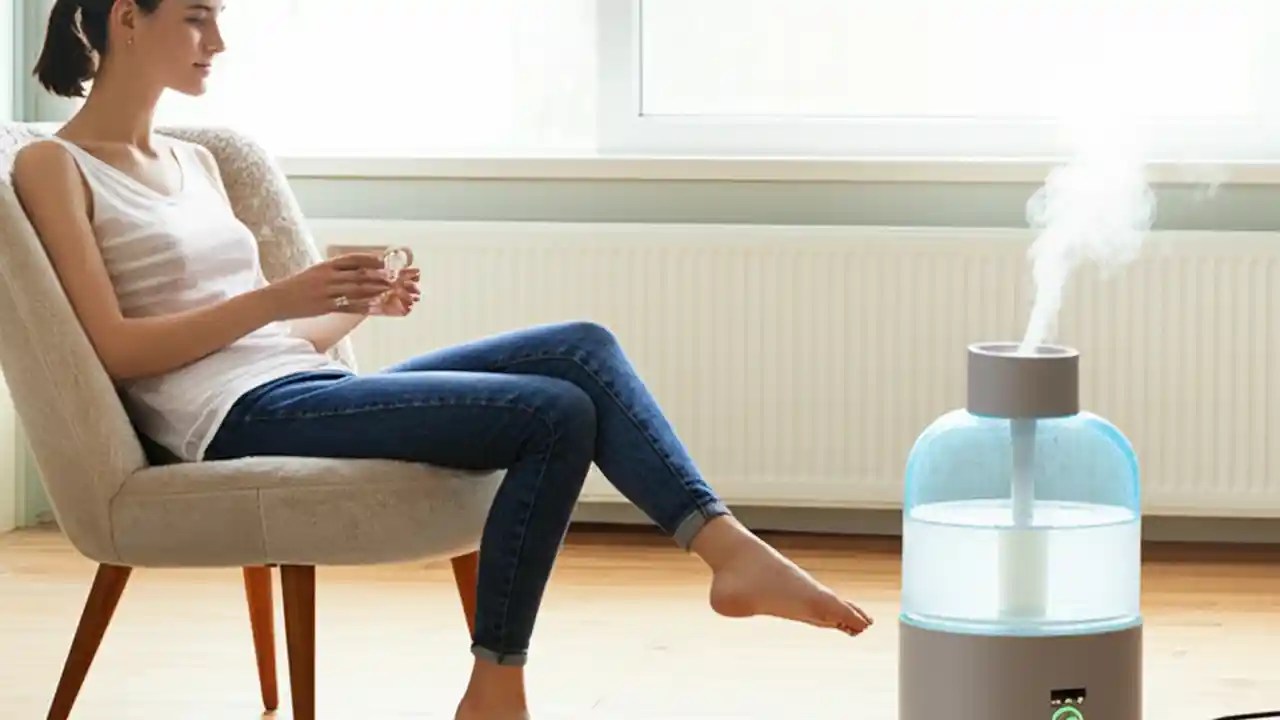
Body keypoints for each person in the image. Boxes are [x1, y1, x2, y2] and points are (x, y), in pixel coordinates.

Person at [11, 2, 873, 718]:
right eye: (198, 18)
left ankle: (724, 549)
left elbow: (265, 338)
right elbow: (116, 348)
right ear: (127, 19)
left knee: (582, 348)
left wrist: (353, 304)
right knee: (552, 413)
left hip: (295, 384)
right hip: (228, 420)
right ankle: (499, 683)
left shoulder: (196, 160)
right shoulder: (56, 165)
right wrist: (281, 297)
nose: (219, 41)